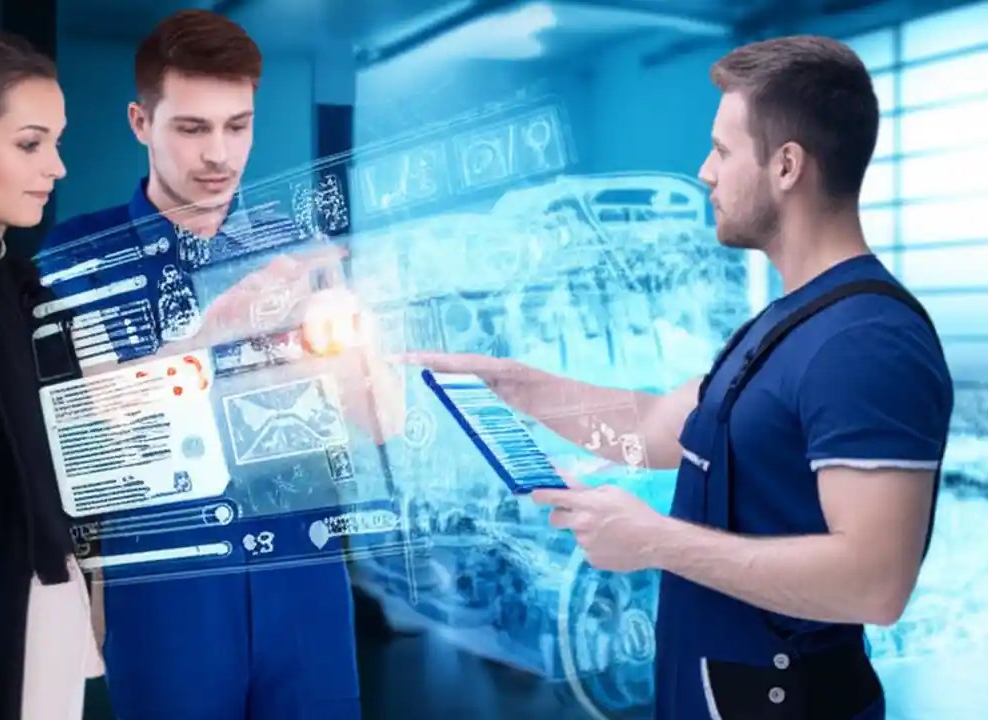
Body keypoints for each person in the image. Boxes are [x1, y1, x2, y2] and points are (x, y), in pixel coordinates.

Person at [408, 36, 953, 719]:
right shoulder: (778, 330)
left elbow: (876, 582)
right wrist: (512, 385)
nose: (704, 173)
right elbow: (646, 429)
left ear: (787, 166)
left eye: (723, 151)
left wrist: (652, 540)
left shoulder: (867, 341)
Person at [38, 10, 361, 720]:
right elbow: (82, 438)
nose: (220, 153)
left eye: (237, 125)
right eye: (192, 128)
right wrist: (216, 328)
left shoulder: (295, 247)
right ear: (139, 121)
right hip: (166, 588)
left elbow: (357, 411)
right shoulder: (71, 264)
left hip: (303, 572)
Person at [0, 30, 105, 720]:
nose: (57, 167)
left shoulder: (35, 294)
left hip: (42, 606)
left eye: (56, 143)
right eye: (31, 144)